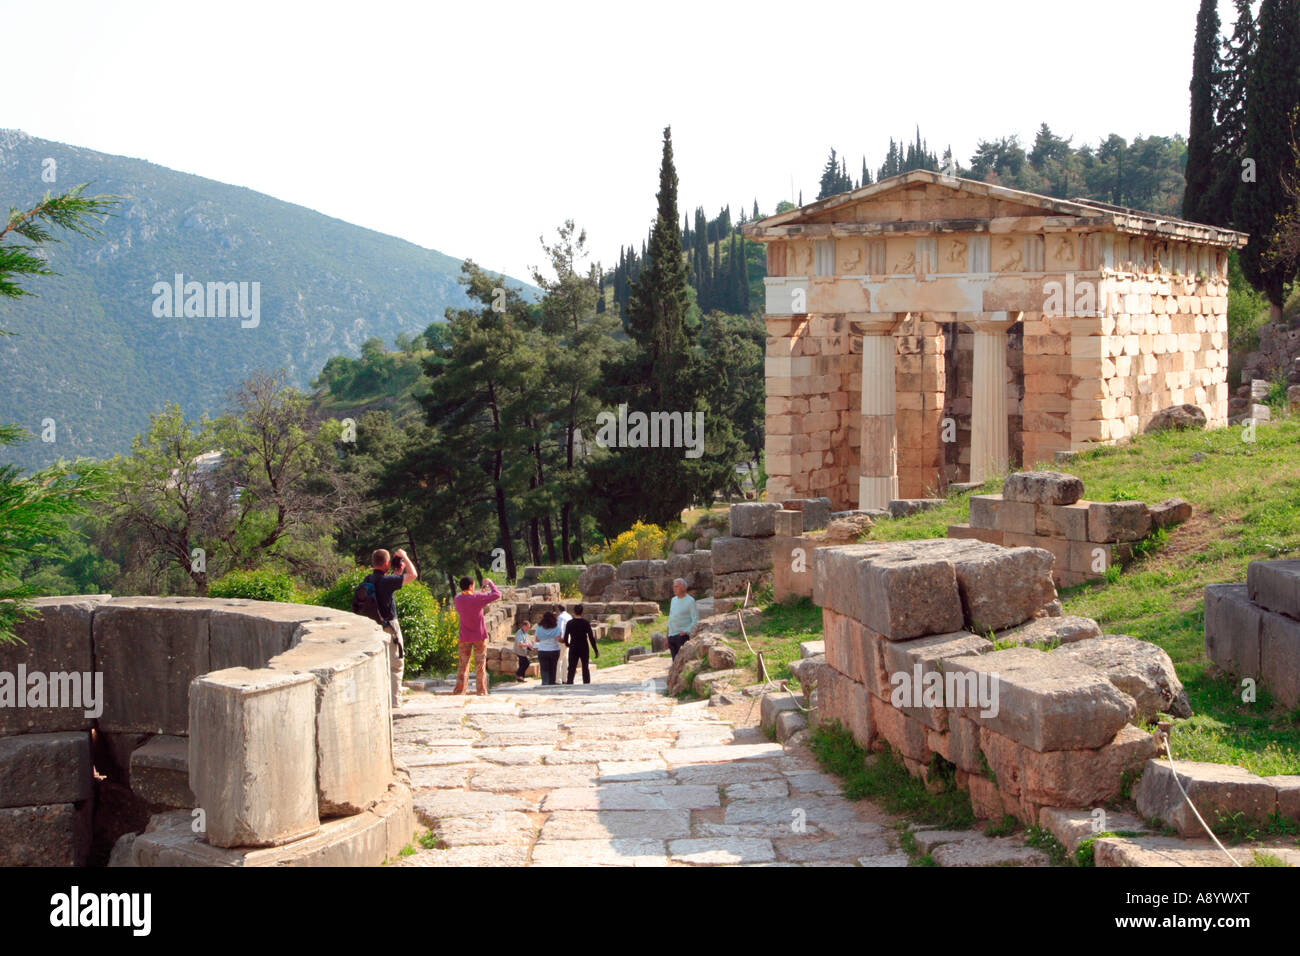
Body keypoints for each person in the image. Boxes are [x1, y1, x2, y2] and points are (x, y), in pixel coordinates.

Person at [360, 548, 418, 710]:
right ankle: (394, 703)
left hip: (372, 627)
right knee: (395, 665)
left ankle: (377, 701)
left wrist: (397, 573)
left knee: (378, 664)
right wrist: (405, 556)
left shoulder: (368, 579)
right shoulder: (386, 582)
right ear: (386, 563)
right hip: (389, 627)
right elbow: (413, 575)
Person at [452, 575, 500, 696]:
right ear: (471, 586)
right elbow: (496, 594)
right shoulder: (477, 598)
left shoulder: (457, 599)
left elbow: (470, 599)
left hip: (464, 636)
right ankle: (481, 691)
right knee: (480, 665)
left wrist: (481, 593)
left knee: (463, 665)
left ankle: (459, 690)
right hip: (479, 636)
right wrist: (490, 583)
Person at [562, 604, 599, 684]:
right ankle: (586, 683)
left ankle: (570, 682)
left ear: (574, 612)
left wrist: (568, 644)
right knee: (585, 667)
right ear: (582, 612)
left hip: (574, 646)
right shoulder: (585, 623)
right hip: (583, 646)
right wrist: (595, 650)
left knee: (572, 666)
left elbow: (565, 636)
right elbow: (591, 637)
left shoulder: (570, 623)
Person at [665, 578, 699, 659]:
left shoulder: (690, 601)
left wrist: (686, 631)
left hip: (682, 636)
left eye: (677, 586)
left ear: (683, 588)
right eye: (674, 586)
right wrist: (667, 637)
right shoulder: (673, 600)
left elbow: (695, 619)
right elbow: (670, 618)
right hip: (671, 636)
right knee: (675, 662)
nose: (674, 589)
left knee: (683, 661)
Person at [533, 611, 563, 686]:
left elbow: (537, 639)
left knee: (544, 669)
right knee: (553, 669)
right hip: (554, 650)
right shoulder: (556, 628)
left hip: (542, 650)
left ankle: (545, 683)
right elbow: (558, 639)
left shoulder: (539, 628)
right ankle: (552, 683)